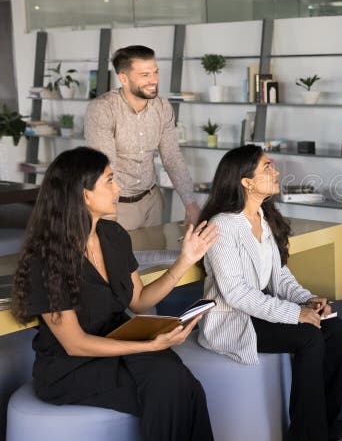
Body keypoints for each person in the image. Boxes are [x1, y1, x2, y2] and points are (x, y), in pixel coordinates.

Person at [11, 146, 219, 441]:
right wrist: (149, 347)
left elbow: (139, 300)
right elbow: (76, 344)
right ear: (84, 195)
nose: (118, 187)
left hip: (120, 345)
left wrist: (185, 260)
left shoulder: (114, 236)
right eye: (110, 180)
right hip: (72, 368)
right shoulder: (48, 259)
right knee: (169, 385)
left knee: (185, 386)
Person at [196, 145, 342, 441]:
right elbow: (236, 293)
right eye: (267, 167)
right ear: (246, 182)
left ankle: (328, 428)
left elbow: (279, 275)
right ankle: (307, 435)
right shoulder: (222, 226)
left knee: (335, 328)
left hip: (260, 311)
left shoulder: (263, 217)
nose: (275, 172)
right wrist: (295, 314)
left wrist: (306, 300)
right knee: (308, 336)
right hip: (234, 320)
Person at [85, 45, 200, 230]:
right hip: (117, 206)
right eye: (145, 75)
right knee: (120, 258)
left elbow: (172, 157)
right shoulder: (102, 109)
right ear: (123, 78)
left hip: (152, 201)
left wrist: (190, 203)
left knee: (156, 257)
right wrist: (110, 212)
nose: (153, 80)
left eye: (155, 72)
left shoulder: (162, 108)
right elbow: (105, 166)